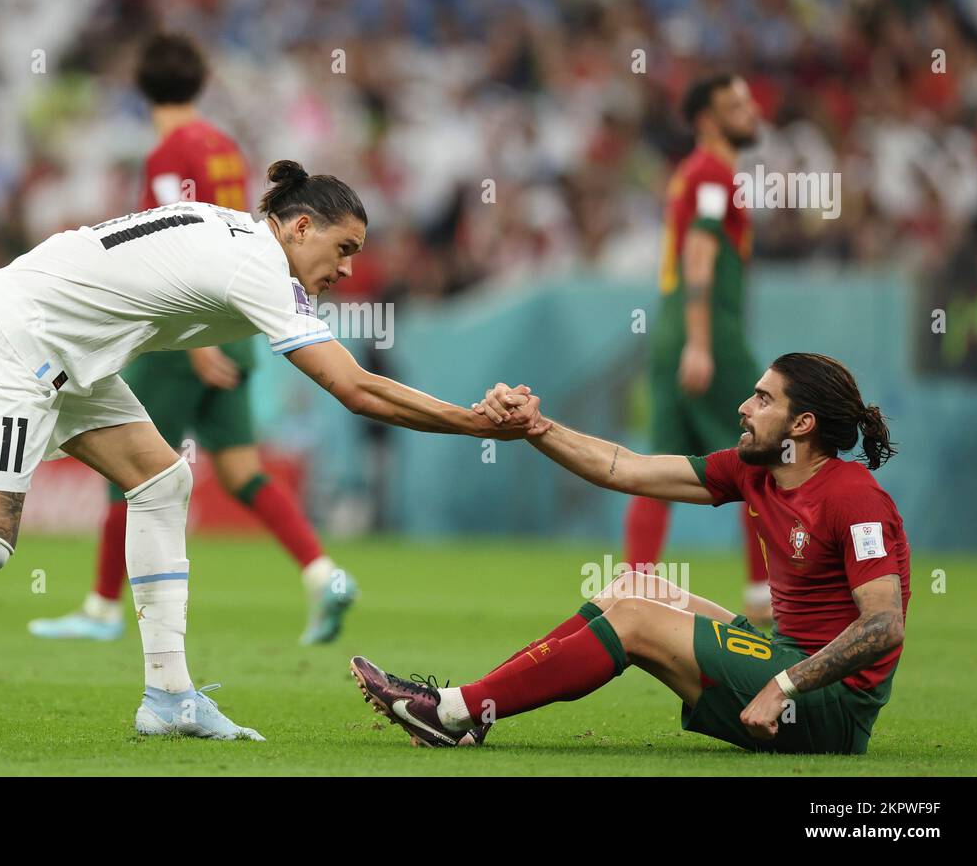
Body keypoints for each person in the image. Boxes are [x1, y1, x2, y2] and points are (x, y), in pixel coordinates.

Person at [0, 161, 542, 743]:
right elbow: (357, 390)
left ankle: (169, 695)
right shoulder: (258, 265)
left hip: (65, 347)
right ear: (300, 225)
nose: (347, 268)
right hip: (15, 341)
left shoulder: (242, 239)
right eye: (343, 247)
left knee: (162, 480)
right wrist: (477, 423)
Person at [352, 353, 909, 755]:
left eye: (763, 399)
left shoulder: (852, 497)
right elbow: (628, 469)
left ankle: (452, 712)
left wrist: (782, 686)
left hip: (828, 708)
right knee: (634, 589)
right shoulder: (755, 471)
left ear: (802, 424)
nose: (744, 406)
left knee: (637, 619)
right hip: (783, 663)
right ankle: (469, 711)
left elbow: (884, 624)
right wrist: (535, 428)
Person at [29, 33, 357, 647]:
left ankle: (101, 609)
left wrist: (196, 345)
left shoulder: (167, 153)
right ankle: (323, 573)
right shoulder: (224, 144)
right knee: (241, 471)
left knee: (127, 464)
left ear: (141, 88)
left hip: (192, 332)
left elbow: (179, 249)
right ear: (201, 85)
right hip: (240, 326)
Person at [624, 74, 771, 624]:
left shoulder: (691, 175)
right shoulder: (712, 174)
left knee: (654, 470)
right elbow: (702, 249)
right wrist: (703, 344)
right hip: (706, 332)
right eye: (737, 104)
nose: (752, 110)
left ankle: (631, 595)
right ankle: (765, 599)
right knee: (769, 452)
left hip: (671, 333)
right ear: (708, 120)